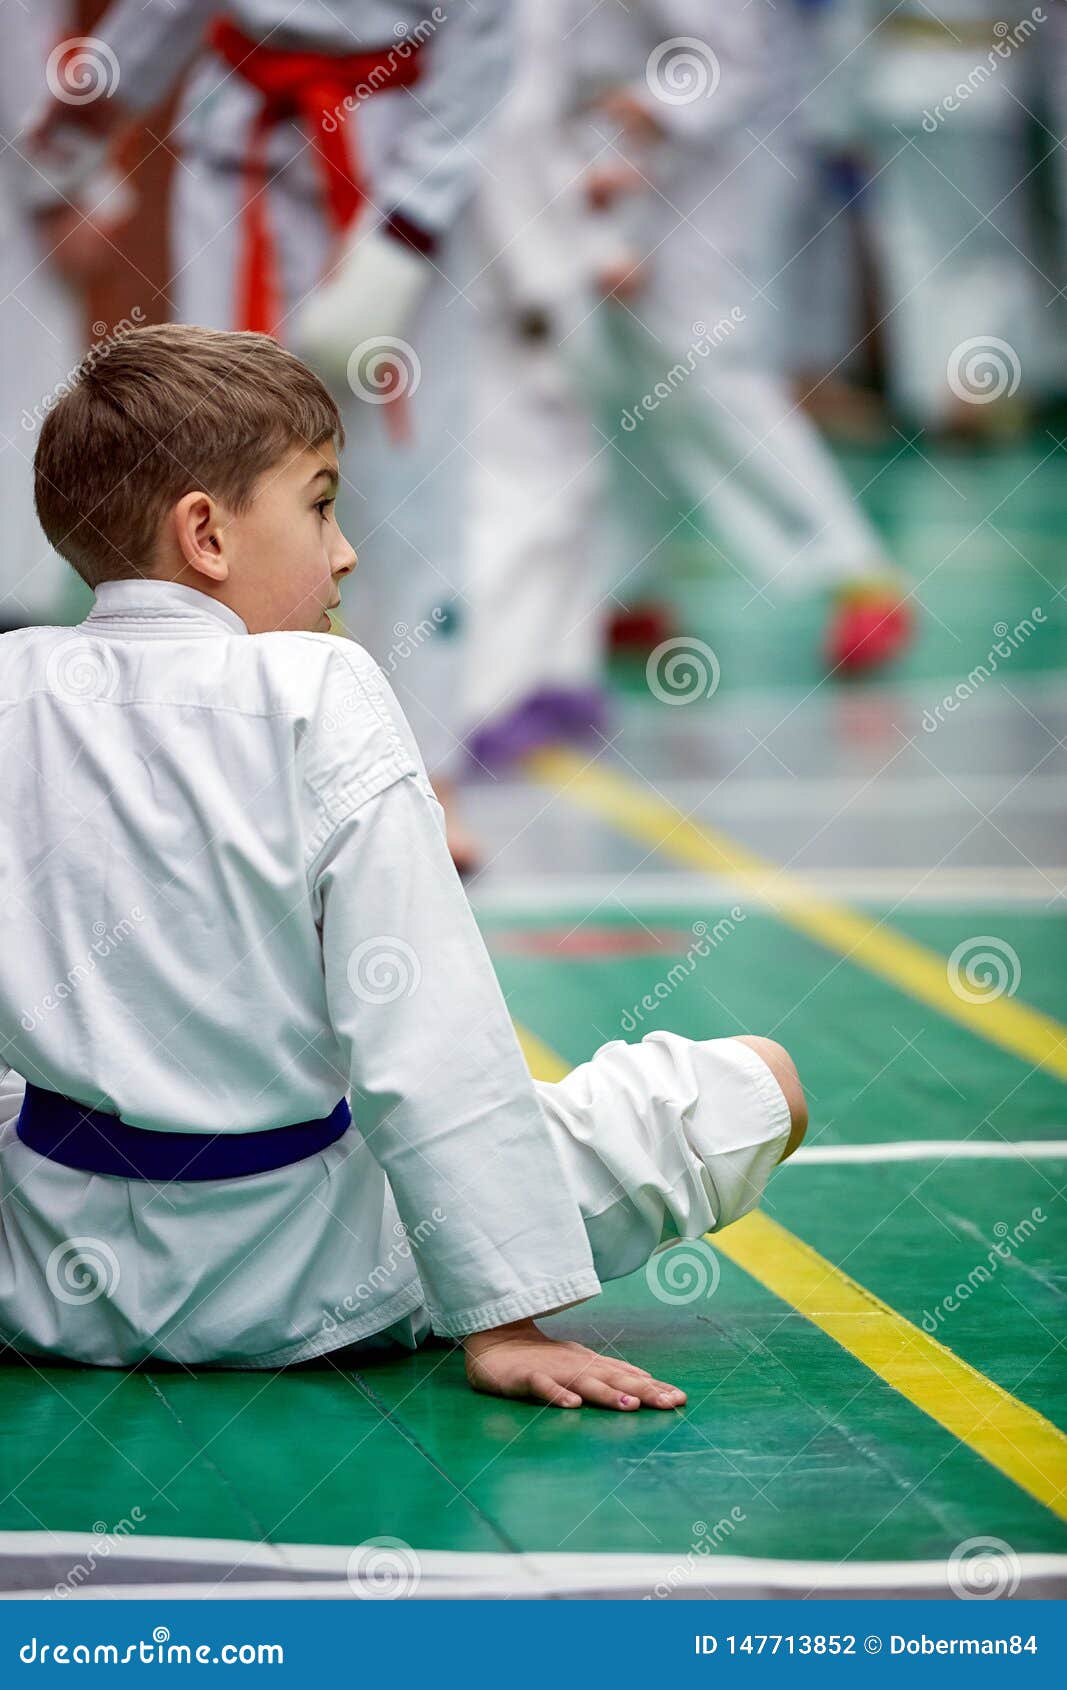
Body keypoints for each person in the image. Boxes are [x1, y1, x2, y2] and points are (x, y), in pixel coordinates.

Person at [0, 324, 806, 1407]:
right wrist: (504, 1318)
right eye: (320, 504)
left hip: (47, 1283)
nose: (345, 552)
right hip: (307, 1284)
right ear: (205, 534)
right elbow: (428, 1041)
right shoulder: (320, 690)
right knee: (760, 1082)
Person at [28, 0, 506, 870]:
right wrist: (74, 141)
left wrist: (407, 227)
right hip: (236, 148)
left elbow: (486, 32)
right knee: (210, 456)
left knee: (412, 475)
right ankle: (215, 758)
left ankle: (429, 776)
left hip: (401, 153)